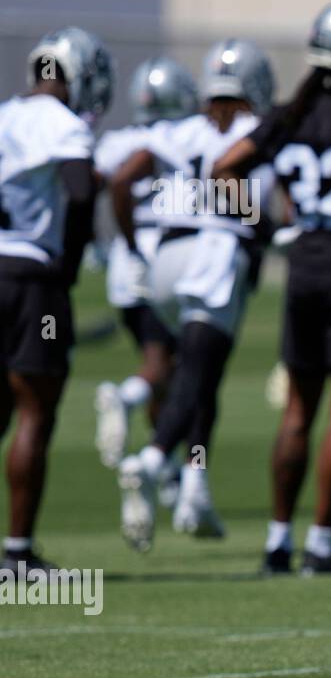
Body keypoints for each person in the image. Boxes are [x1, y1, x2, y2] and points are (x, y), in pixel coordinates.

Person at [213, 0, 331, 575]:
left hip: (303, 268)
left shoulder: (291, 113)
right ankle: (321, 541)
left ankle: (277, 540)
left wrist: (270, 228)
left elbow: (223, 171)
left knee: (297, 410)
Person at [113, 40, 274, 550]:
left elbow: (126, 175)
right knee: (201, 373)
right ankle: (155, 458)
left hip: (164, 256)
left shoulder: (181, 127)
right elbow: (239, 191)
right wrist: (260, 224)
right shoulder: (257, 131)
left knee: (196, 374)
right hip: (214, 251)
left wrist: (131, 241)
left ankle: (194, 488)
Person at [0, 27, 111, 575]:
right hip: (31, 277)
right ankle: (18, 552)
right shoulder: (65, 125)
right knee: (34, 411)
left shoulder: (3, 115)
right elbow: (83, 190)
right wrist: (68, 264)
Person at [93, 58, 198, 474]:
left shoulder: (116, 139)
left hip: (125, 268)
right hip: (164, 262)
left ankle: (165, 465)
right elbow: (122, 181)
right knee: (172, 366)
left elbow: (88, 188)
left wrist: (102, 243)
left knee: (163, 367)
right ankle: (127, 397)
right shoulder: (182, 137)